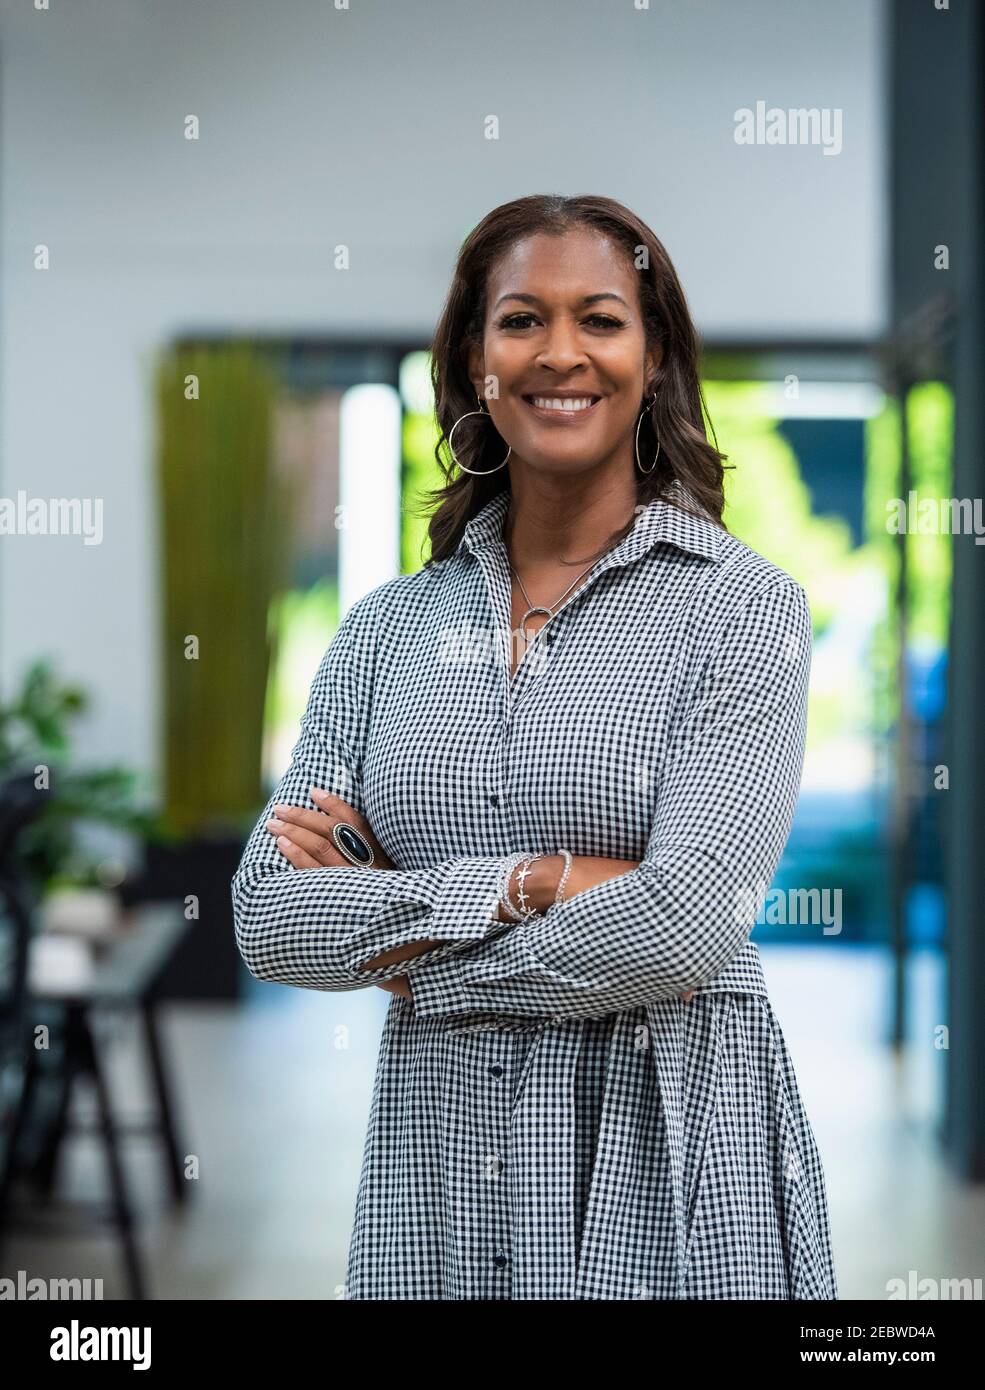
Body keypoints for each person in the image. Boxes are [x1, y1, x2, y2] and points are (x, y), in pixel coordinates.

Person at [231, 193, 838, 1301]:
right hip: (440, 1157)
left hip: (669, 1152)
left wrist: (406, 931)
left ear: (653, 359)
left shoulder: (741, 610)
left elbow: (686, 925)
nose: (562, 352)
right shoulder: (384, 630)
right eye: (521, 320)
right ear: (475, 362)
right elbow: (268, 915)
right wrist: (538, 882)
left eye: (601, 319)